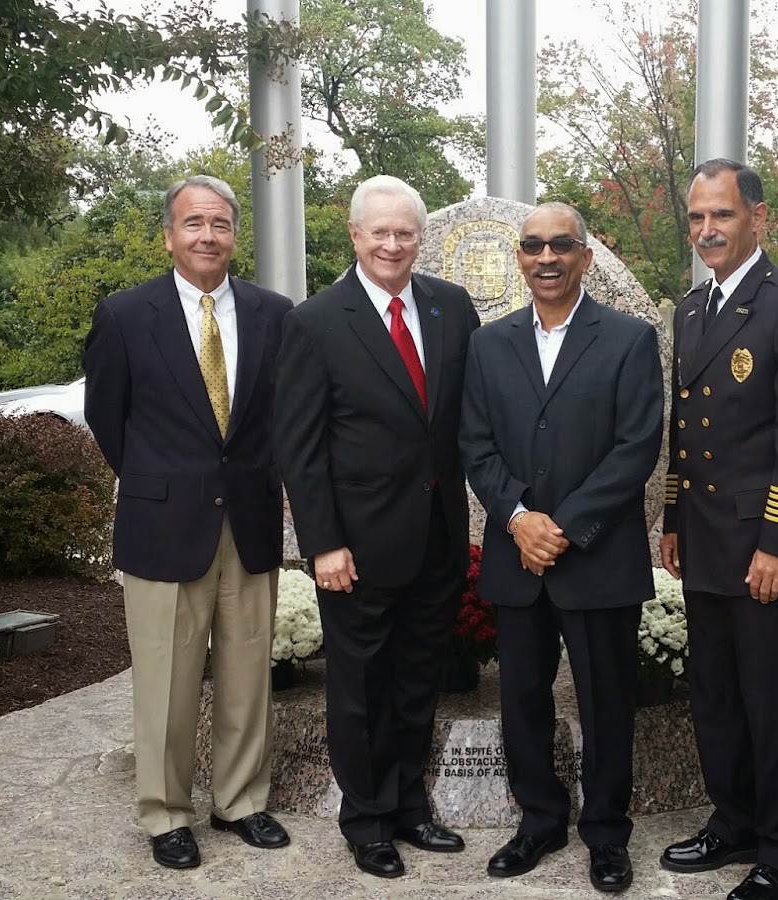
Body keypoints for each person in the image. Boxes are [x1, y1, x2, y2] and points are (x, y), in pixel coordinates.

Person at [83, 174, 294, 870]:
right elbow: (107, 420)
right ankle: (166, 813)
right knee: (166, 682)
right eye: (193, 223)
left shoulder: (273, 313)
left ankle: (240, 802)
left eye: (221, 223)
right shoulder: (124, 314)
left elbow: (279, 419)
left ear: (236, 234)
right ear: (169, 235)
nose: (208, 235)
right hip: (164, 525)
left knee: (246, 671)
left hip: (251, 519)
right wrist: (160, 481)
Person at [273, 175, 480, 879]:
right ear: (355, 236)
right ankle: (365, 821)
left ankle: (409, 807)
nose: (393, 244)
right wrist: (322, 543)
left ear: (421, 238)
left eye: (405, 233)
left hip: (436, 537)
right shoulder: (315, 322)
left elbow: (460, 425)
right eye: (380, 232)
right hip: (355, 548)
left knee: (418, 679)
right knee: (359, 690)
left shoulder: (453, 309)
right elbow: (300, 449)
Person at [657, 159, 778, 900]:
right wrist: (674, 519)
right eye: (698, 217)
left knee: (771, 703)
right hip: (706, 541)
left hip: (766, 546)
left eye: (723, 216)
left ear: (758, 219)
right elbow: (688, 430)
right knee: (714, 695)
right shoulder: (693, 309)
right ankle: (734, 821)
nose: (707, 230)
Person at [459, 202, 664, 893]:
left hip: (597, 559)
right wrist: (518, 518)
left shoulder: (629, 340)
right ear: (519, 257)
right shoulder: (488, 345)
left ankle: (606, 832)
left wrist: (563, 528)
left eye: (561, 246)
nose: (546, 257)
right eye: (533, 245)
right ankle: (539, 820)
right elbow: (474, 443)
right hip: (518, 560)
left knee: (606, 702)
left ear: (585, 257)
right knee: (521, 698)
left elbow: (635, 449)